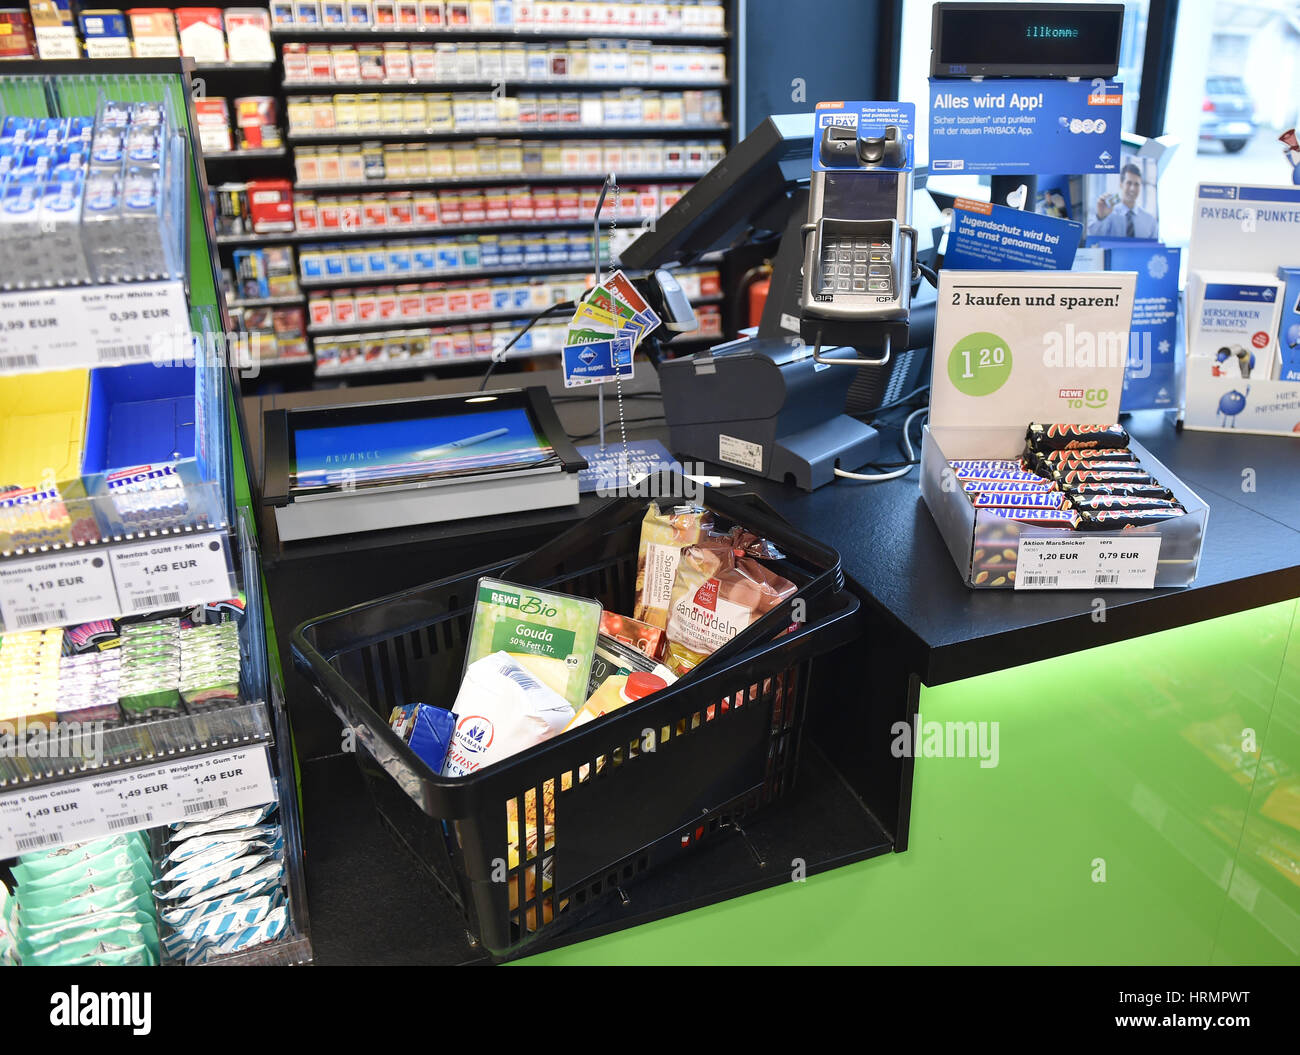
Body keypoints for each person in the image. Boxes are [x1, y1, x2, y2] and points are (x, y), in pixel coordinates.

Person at [1091, 162, 1157, 239]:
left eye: (1136, 184)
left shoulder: (1150, 220)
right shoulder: (1108, 215)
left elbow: (1155, 245)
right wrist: (1100, 217)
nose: (1132, 189)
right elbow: (1094, 237)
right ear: (1121, 184)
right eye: (1129, 183)